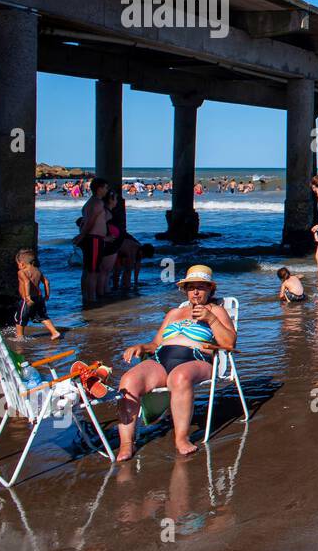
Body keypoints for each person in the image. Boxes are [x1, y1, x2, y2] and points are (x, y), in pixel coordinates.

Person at [116, 264, 236, 458]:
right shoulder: (173, 313)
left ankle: (181, 437)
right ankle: (126, 444)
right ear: (185, 290)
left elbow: (229, 343)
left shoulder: (216, 311)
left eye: (201, 286)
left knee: (179, 377)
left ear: (211, 289)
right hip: (161, 358)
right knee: (129, 381)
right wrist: (141, 347)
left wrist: (211, 319)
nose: (195, 292)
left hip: (197, 358)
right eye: (191, 287)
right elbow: (156, 343)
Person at [75, 177, 111, 306]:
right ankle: (91, 298)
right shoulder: (97, 203)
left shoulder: (91, 202)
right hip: (94, 239)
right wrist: (82, 235)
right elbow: (90, 222)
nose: (107, 190)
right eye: (106, 188)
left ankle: (87, 296)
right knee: (93, 271)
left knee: (88, 269)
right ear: (99, 188)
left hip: (92, 238)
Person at [14, 249, 61, 341]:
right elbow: (46, 282)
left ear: (22, 263)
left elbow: (27, 282)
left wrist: (27, 297)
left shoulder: (21, 272)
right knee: (42, 316)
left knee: (20, 318)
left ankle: (20, 337)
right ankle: (54, 332)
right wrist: (47, 295)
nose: (18, 266)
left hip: (27, 299)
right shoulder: (37, 271)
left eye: (17, 264)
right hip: (39, 298)